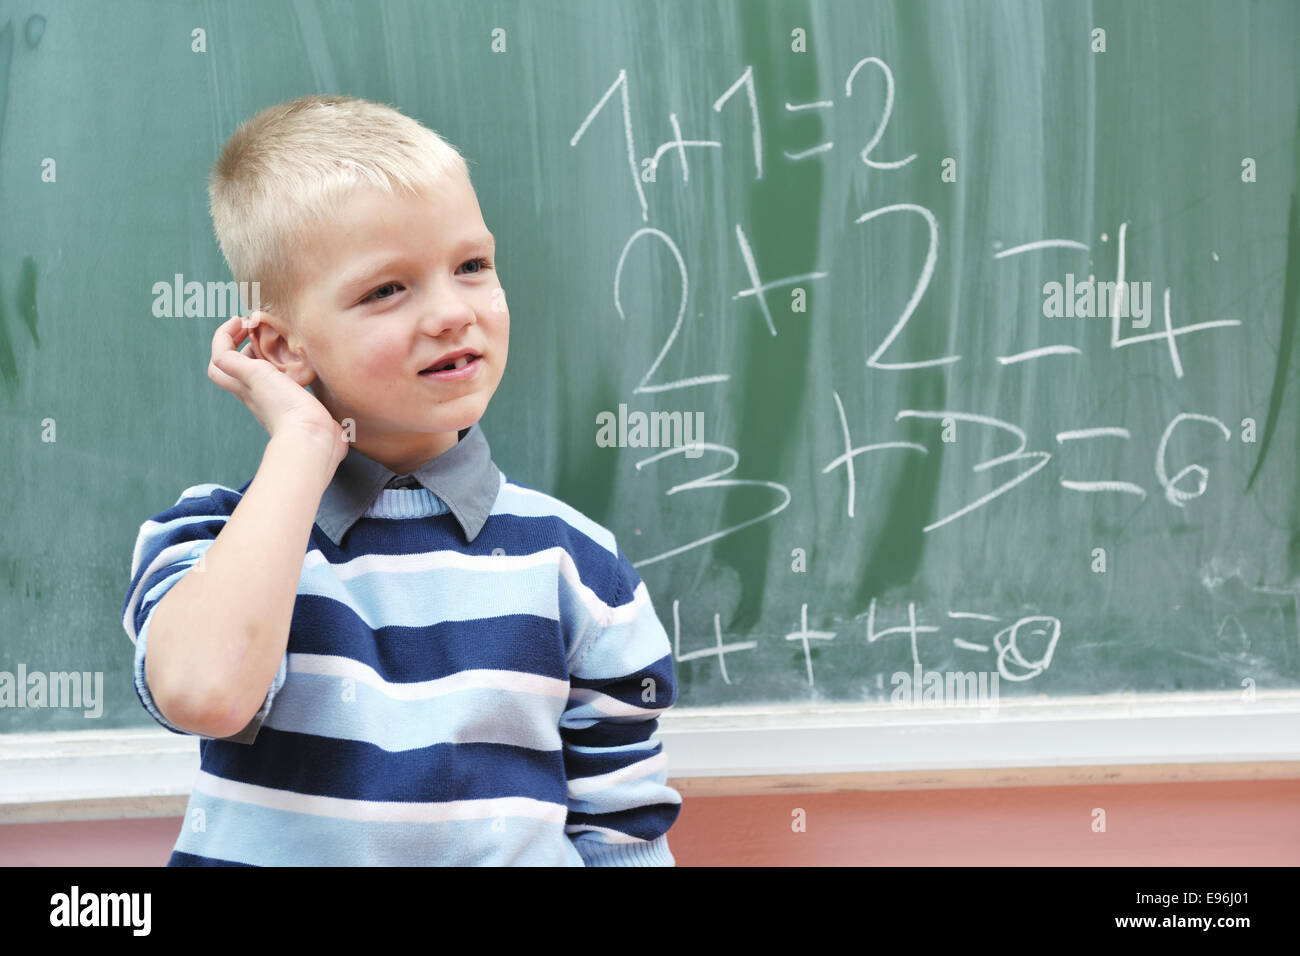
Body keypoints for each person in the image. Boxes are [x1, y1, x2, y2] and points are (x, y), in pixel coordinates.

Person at [120, 95, 681, 865]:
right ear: (280, 350)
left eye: (473, 266)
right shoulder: (214, 541)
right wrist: (305, 441)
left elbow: (621, 831)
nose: (452, 312)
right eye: (387, 289)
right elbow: (206, 694)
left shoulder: (576, 566)